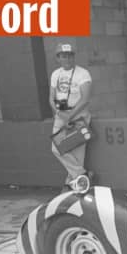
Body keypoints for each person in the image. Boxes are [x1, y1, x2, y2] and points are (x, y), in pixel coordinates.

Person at [50, 43, 93, 191]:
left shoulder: (83, 73)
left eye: (69, 55)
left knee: (77, 153)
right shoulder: (56, 74)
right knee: (56, 148)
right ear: (58, 58)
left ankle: (72, 186)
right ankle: (82, 175)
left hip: (79, 115)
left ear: (73, 57)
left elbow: (85, 98)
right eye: (63, 56)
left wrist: (70, 117)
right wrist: (61, 115)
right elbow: (51, 99)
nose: (67, 58)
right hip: (61, 115)